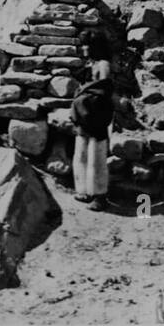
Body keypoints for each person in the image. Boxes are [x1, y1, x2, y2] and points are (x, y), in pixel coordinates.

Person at [71, 31, 113, 210]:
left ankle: (99, 196)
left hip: (96, 114)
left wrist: (84, 98)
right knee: (81, 154)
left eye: (87, 45)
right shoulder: (91, 64)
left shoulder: (103, 65)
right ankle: (84, 190)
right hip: (85, 115)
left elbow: (103, 89)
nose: (84, 48)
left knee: (96, 156)